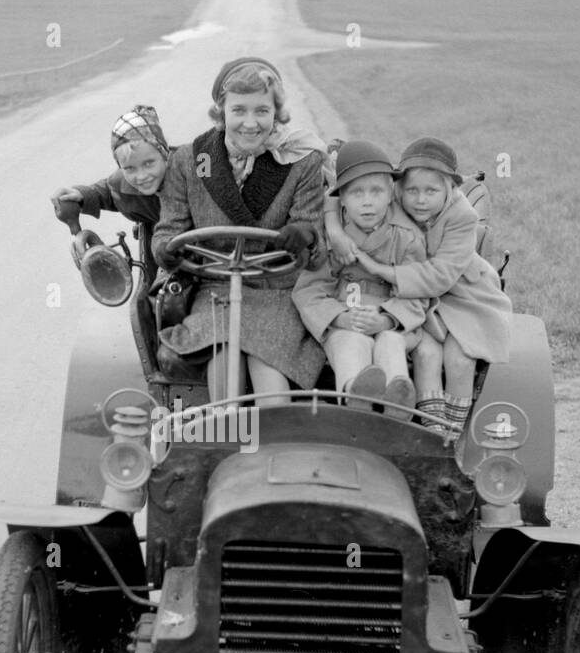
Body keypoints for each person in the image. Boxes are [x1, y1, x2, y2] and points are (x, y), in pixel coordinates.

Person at [151, 57, 326, 403]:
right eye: (239, 110)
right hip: (215, 287)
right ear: (221, 112)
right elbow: (167, 230)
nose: (250, 122)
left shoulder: (302, 160)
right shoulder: (191, 160)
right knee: (222, 349)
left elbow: (312, 235)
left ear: (277, 112)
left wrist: (304, 234)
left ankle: (274, 429)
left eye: (262, 110)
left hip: (276, 290)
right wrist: (167, 249)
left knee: (268, 361)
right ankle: (225, 427)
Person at [350, 136, 512, 432]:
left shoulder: (462, 216)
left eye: (431, 191)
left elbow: (439, 276)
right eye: (412, 190)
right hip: (418, 299)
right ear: (399, 188)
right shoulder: (391, 203)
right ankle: (432, 430)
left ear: (450, 188)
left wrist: (380, 269)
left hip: (464, 295)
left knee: (460, 360)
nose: (420, 200)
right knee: (426, 354)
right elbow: (340, 196)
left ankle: (453, 433)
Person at [293, 140, 425, 420]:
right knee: (350, 342)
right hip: (345, 315)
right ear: (341, 199)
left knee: (390, 342)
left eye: (376, 191)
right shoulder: (331, 237)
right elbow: (309, 291)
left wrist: (387, 319)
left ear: (390, 194)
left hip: (390, 318)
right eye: (356, 193)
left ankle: (398, 401)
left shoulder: (406, 237)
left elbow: (417, 290)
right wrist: (340, 318)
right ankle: (355, 395)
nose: (367, 201)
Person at [49, 105, 173, 263]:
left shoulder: (190, 171)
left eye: (148, 163)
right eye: (130, 168)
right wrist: (82, 195)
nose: (141, 176)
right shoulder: (122, 185)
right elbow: (108, 190)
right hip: (165, 258)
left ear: (165, 155)